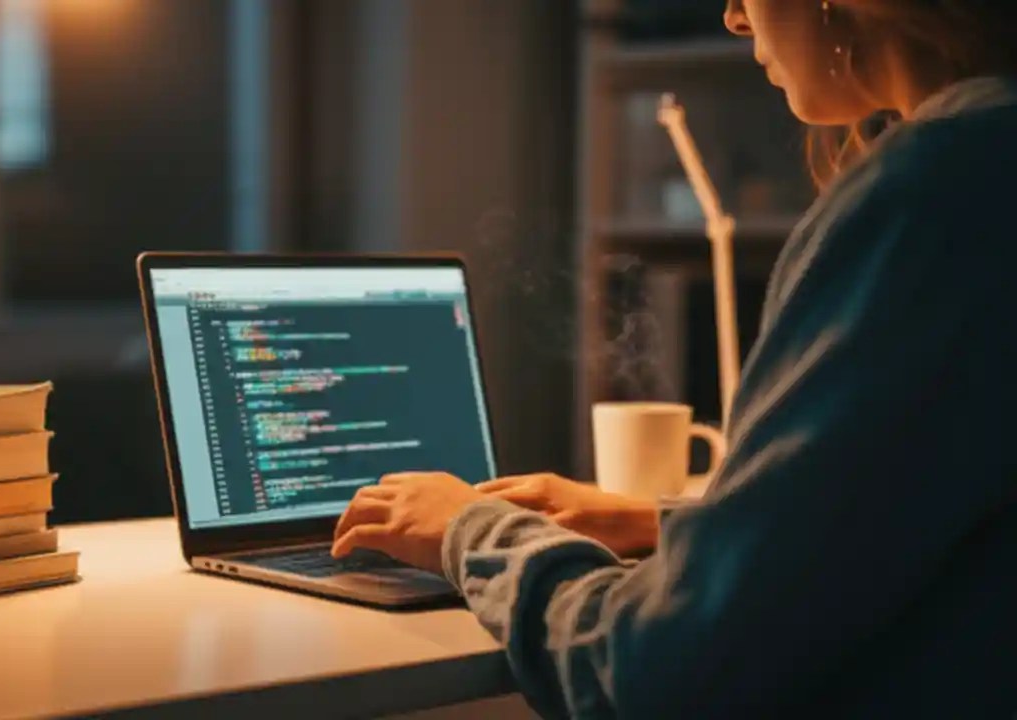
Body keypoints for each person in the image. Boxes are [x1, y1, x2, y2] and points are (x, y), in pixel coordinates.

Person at [331, 1, 1017, 717]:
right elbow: (920, 514)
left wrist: (469, 531)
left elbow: (656, 671)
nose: (733, 18)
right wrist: (671, 521)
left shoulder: (934, 193)